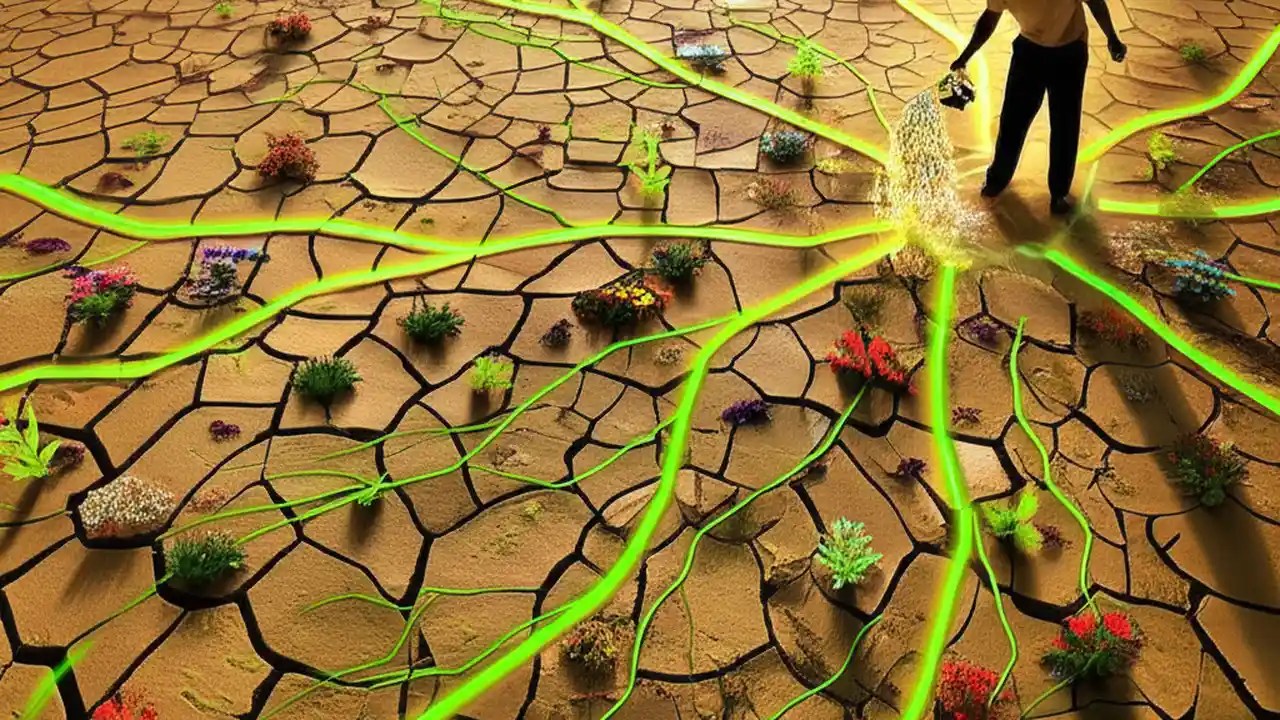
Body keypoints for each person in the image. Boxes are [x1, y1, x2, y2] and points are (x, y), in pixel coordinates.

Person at [951, 0, 1127, 216]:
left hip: (1070, 50)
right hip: (1030, 49)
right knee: (1013, 122)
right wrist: (965, 56)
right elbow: (990, 17)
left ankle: (1059, 193)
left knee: (1065, 125)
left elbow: (1095, 2)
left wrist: (1112, 37)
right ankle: (997, 179)